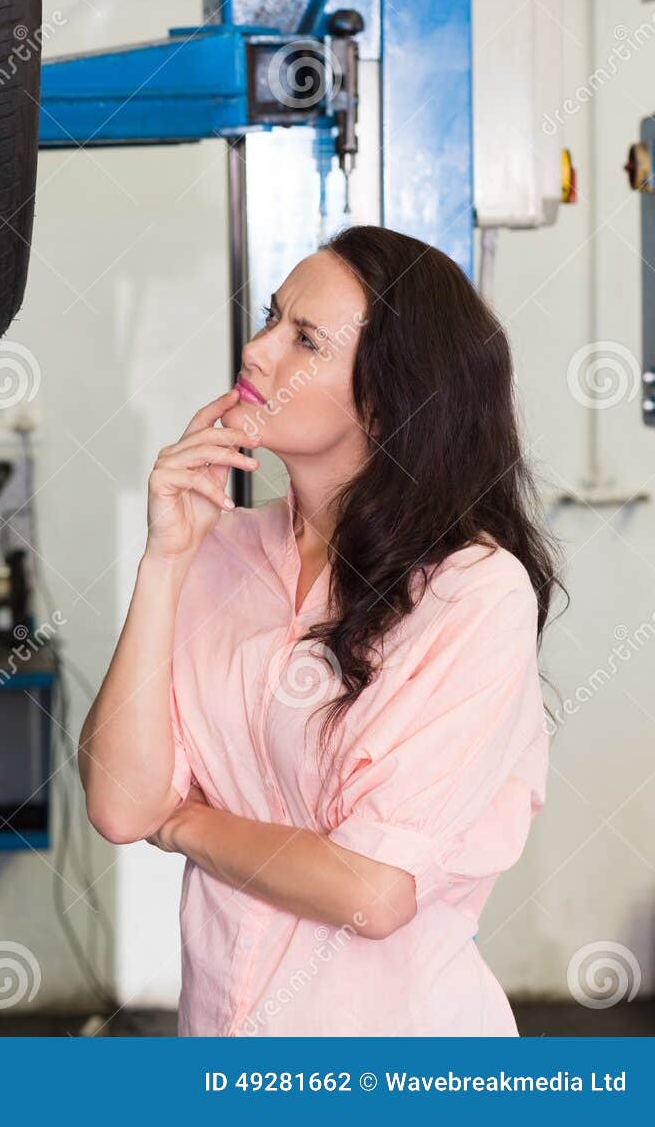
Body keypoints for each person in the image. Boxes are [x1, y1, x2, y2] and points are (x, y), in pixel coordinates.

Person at [79, 224, 564, 1036]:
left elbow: (370, 891)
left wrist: (188, 821)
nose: (257, 350)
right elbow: (123, 805)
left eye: (303, 339)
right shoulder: (218, 552)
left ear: (387, 397)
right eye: (271, 319)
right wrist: (164, 561)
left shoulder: (471, 592)